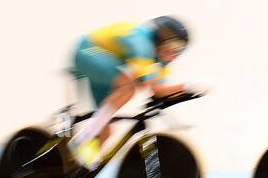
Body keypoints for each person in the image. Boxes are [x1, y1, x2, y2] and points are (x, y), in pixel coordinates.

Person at [68, 16, 209, 169]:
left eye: (181, 49)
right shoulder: (141, 43)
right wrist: (188, 86)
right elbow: (148, 84)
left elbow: (159, 92)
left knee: (105, 131)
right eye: (174, 47)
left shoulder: (162, 59)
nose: (175, 54)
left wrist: (190, 90)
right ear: (161, 39)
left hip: (102, 63)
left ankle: (74, 174)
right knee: (128, 88)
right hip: (87, 52)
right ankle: (82, 139)